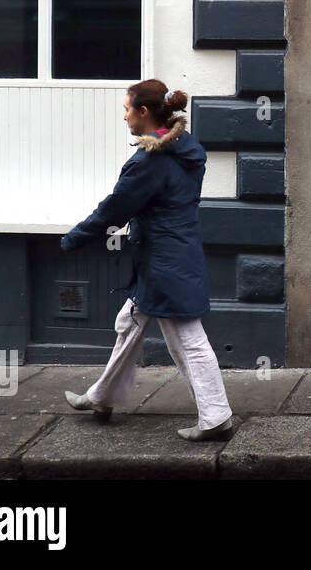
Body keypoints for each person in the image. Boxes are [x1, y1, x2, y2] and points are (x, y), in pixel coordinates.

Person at [59, 79, 239, 441]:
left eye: (128, 109)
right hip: (173, 253)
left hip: (163, 261)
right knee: (129, 321)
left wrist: (74, 239)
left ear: (144, 112)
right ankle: (102, 396)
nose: (124, 116)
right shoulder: (186, 150)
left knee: (186, 337)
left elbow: (115, 209)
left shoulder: (149, 162)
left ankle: (216, 416)